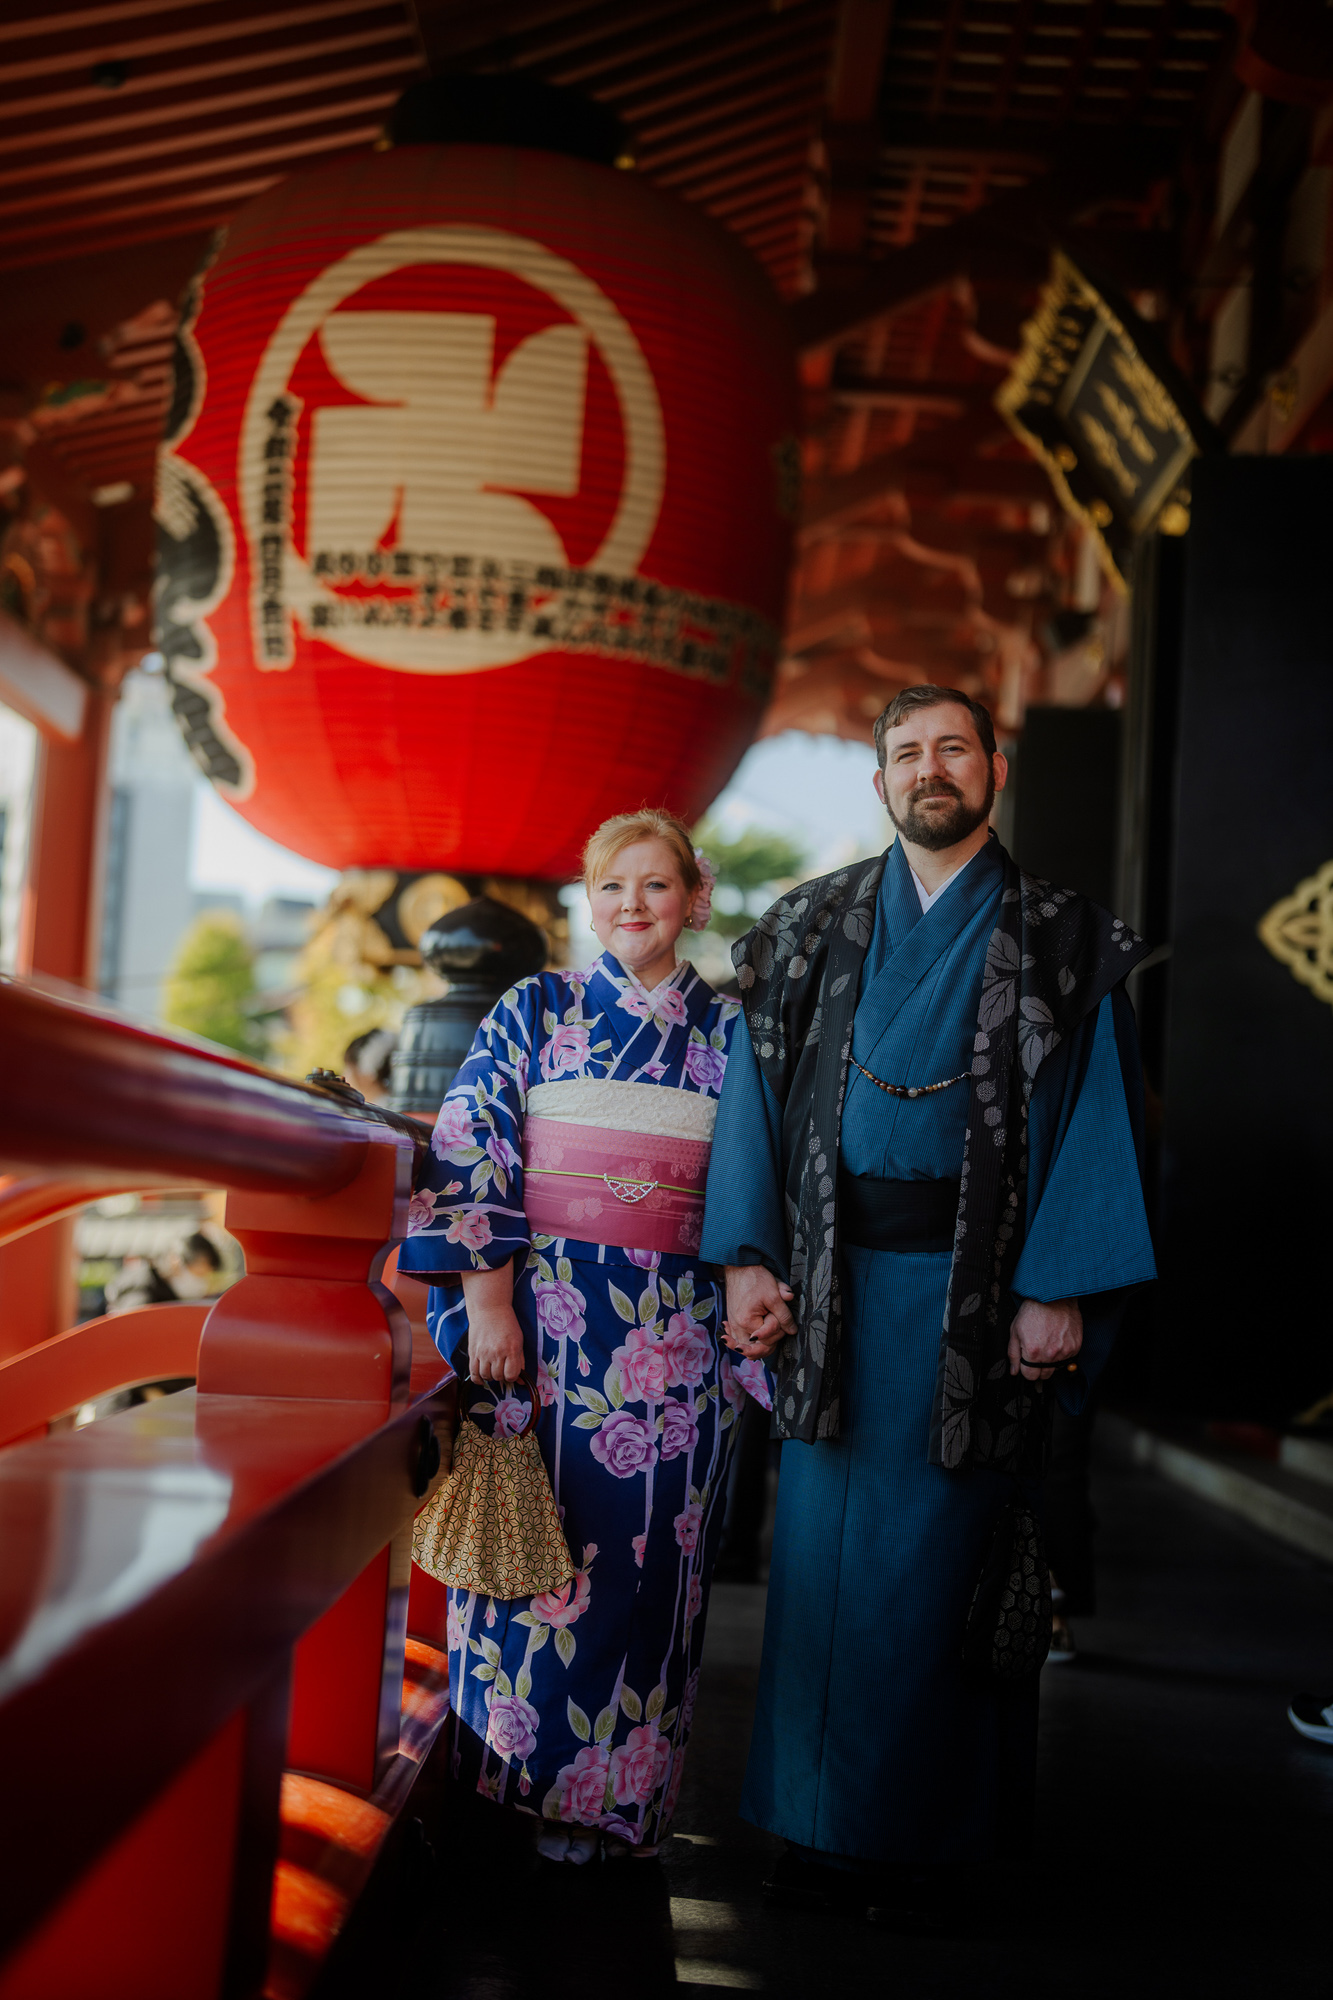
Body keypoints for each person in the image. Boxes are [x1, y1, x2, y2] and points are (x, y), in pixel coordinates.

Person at [700, 685, 1157, 1928]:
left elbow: (1100, 1113)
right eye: (905, 751)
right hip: (834, 1285)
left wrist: (1057, 1280)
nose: (929, 768)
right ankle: (812, 1819)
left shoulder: (1060, 933)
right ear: (879, 781)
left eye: (952, 746)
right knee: (819, 1565)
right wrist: (745, 1254)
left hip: (973, 1294)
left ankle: (930, 1833)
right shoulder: (806, 924)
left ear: (994, 765)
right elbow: (750, 1097)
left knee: (943, 1562)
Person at [398, 809, 767, 1864]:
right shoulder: (535, 1006)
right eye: (612, 887)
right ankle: (501, 1788)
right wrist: (487, 1301)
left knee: (658, 1562)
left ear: (693, 898)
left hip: (678, 1330)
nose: (633, 906)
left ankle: (620, 1806)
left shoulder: (733, 1030)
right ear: (588, 901)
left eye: (656, 886)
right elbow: (473, 1148)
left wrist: (748, 1287)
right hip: (549, 1317)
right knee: (527, 1550)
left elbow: (755, 1175)